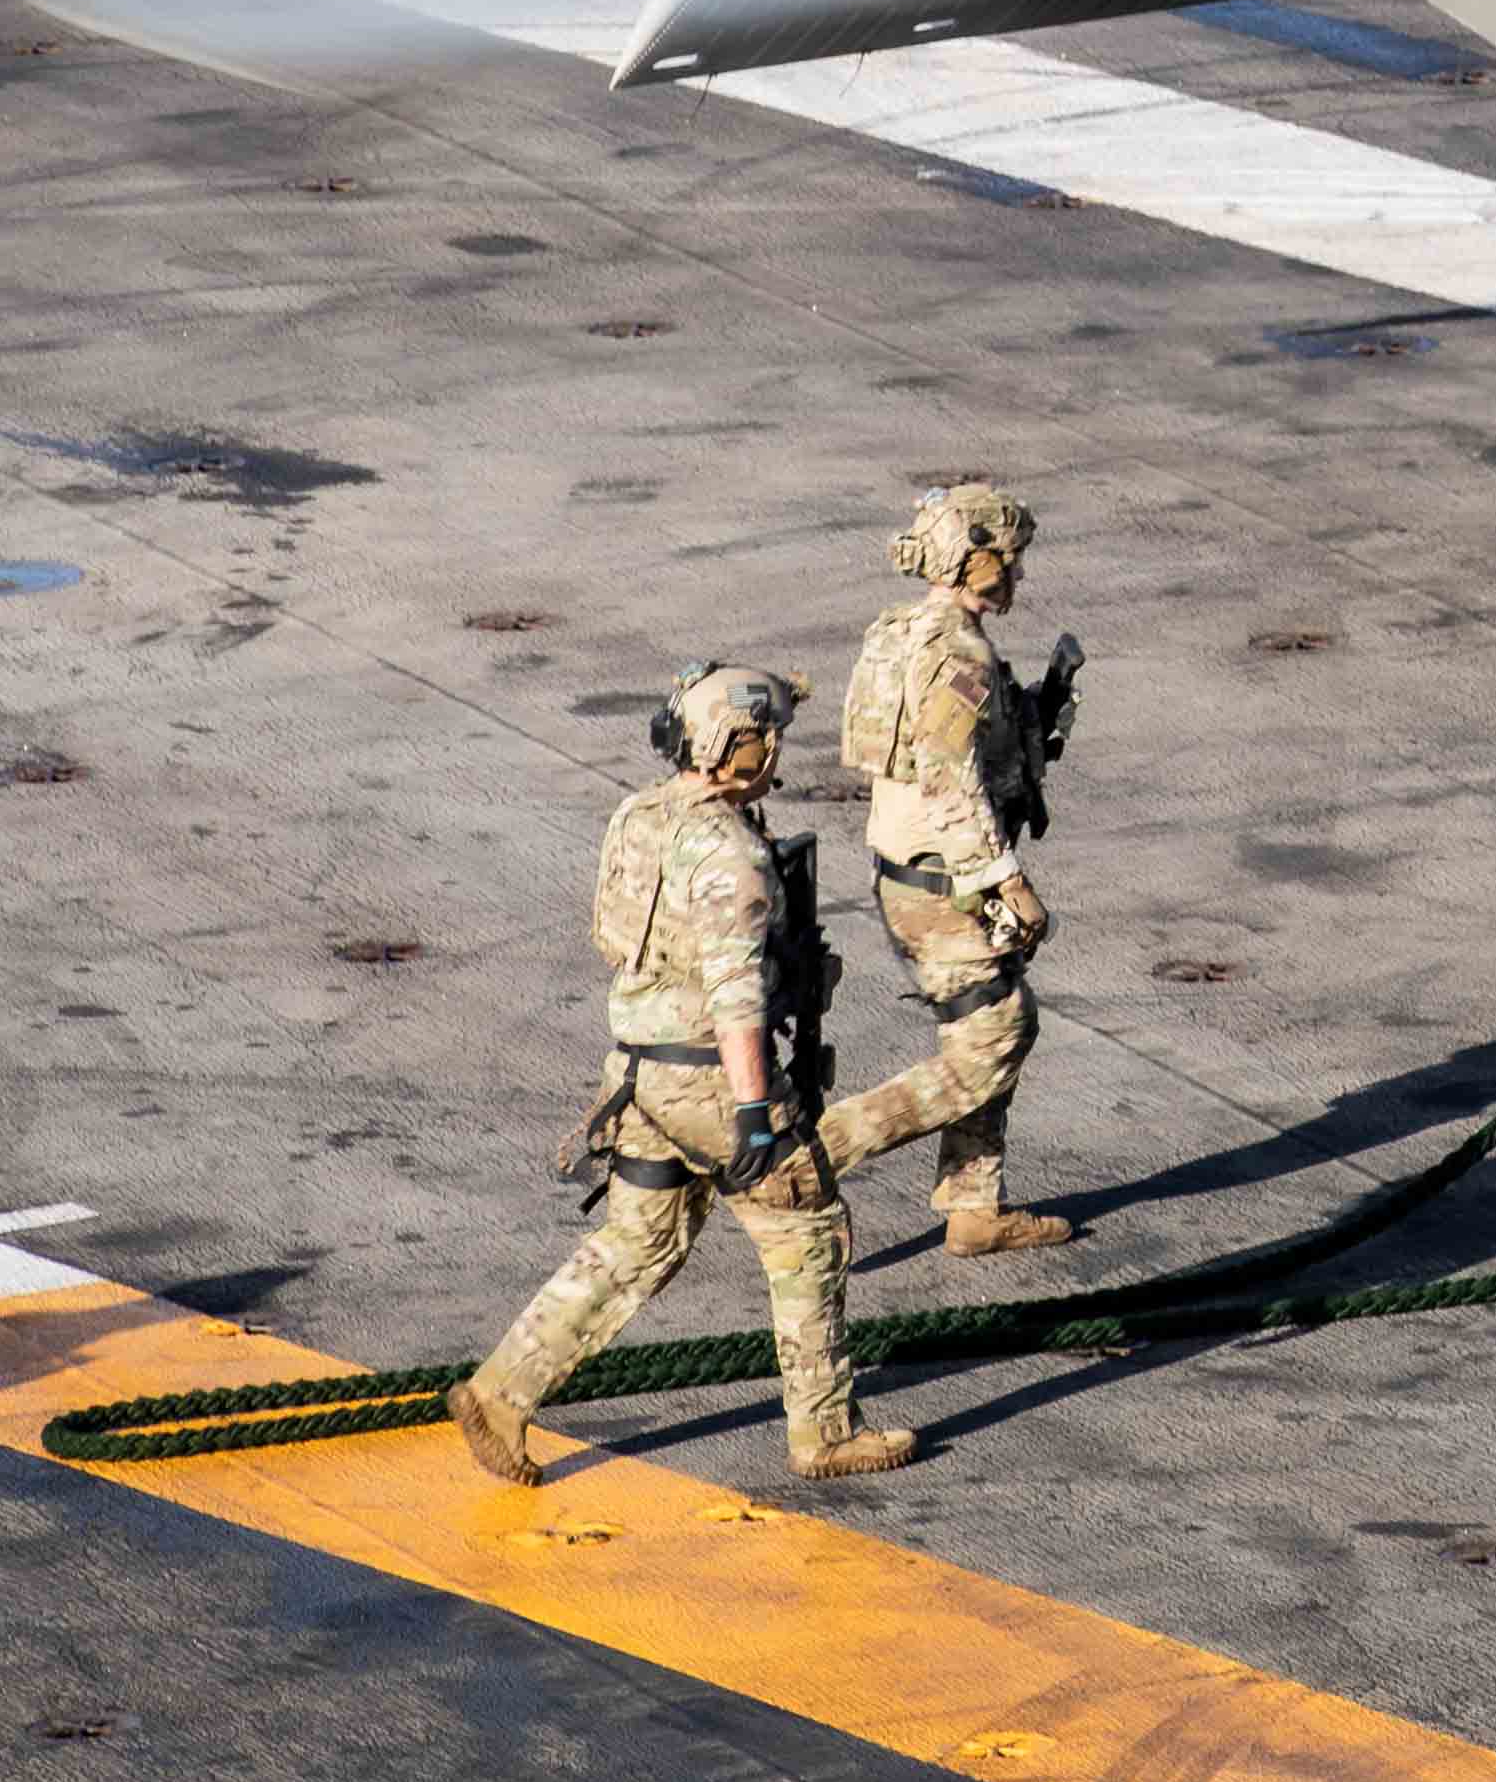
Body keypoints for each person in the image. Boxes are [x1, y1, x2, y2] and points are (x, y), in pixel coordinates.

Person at [451, 669, 913, 1488]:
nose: (775, 751)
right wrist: (756, 1120)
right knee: (808, 1225)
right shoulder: (733, 857)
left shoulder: (639, 815)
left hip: (635, 1073)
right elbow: (739, 1001)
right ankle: (826, 1430)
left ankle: (500, 1393)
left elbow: (613, 934)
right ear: (743, 747)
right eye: (767, 737)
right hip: (710, 1079)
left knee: (640, 1242)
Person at [825, 483, 1074, 1260]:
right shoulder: (957, 655)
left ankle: (974, 1204)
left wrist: (1032, 714)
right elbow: (947, 777)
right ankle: (807, 1160)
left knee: (987, 1025)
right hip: (946, 880)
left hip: (915, 869)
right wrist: (1007, 879)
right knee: (996, 1040)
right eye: (1008, 558)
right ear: (976, 559)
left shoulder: (904, 631)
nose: (1017, 574)